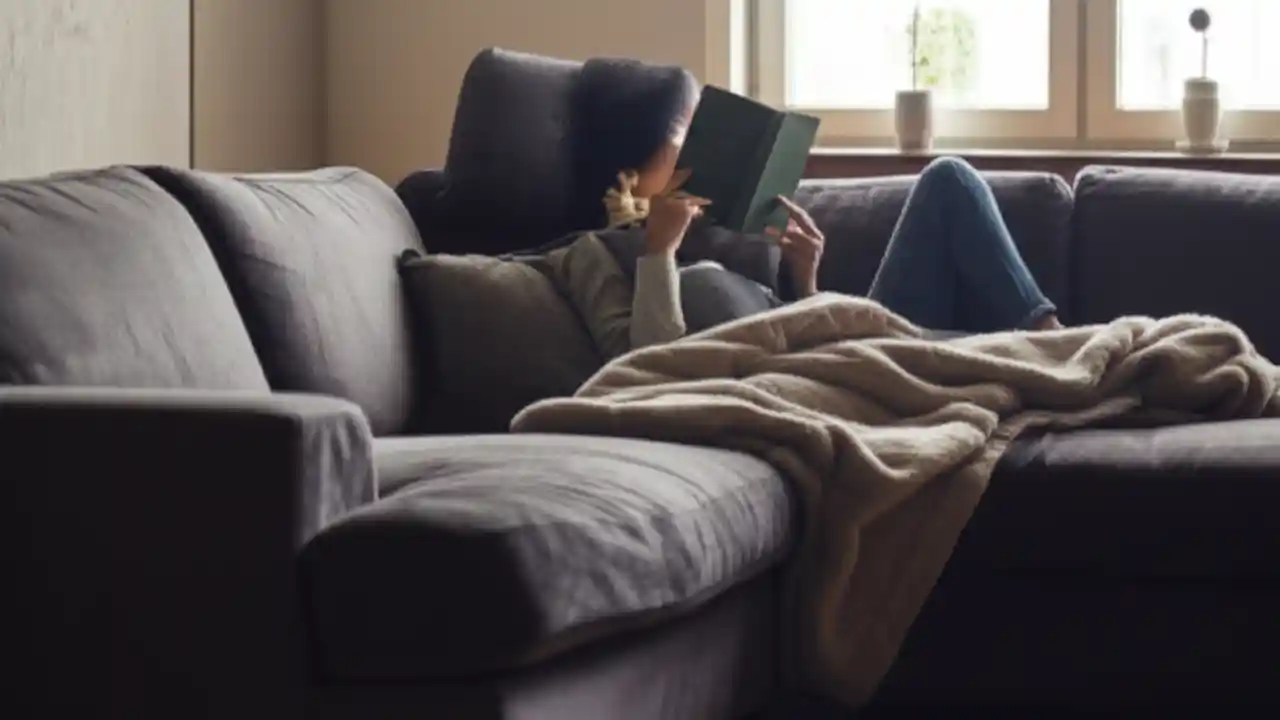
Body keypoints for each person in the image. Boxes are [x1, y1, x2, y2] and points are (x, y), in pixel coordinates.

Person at [572, 64, 1061, 352]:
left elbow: (788, 332)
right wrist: (658, 251)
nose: (694, 149)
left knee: (948, 179)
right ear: (630, 171)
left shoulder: (719, 226)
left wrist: (806, 283)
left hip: (836, 350)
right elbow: (649, 373)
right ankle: (1053, 348)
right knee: (987, 352)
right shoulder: (599, 254)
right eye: (684, 134)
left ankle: (1046, 337)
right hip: (829, 376)